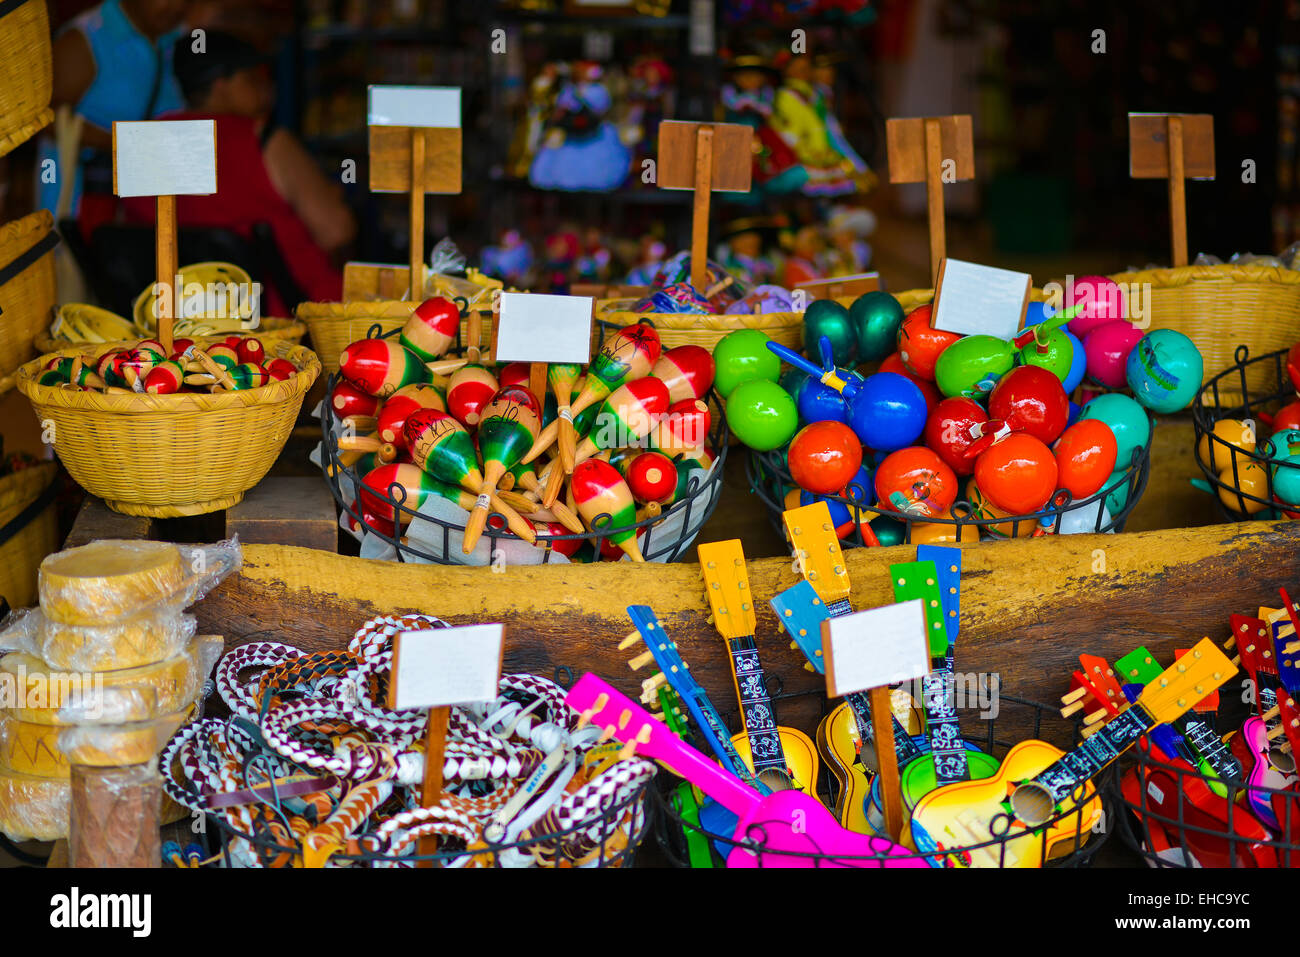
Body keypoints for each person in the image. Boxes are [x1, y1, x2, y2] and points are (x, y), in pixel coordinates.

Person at [121, 31, 355, 310]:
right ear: (222, 84)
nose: (267, 88)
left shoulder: (143, 142)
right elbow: (336, 230)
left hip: (176, 316)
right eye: (253, 78)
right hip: (281, 318)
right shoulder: (263, 139)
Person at [42, 0, 188, 234]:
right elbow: (43, 119)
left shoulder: (177, 36)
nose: (178, 7)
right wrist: (131, 146)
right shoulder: (84, 39)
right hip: (80, 206)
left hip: (145, 209)